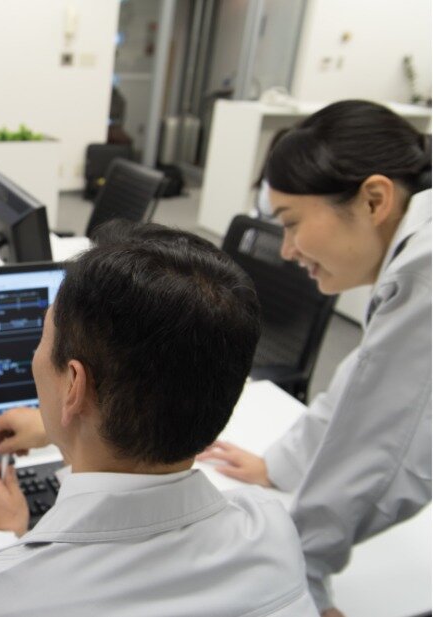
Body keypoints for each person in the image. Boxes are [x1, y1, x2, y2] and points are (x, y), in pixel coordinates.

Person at [0, 226, 319, 616]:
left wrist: (2, 537)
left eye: (42, 339)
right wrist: (62, 430)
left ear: (74, 385)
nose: (36, 357)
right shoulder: (273, 531)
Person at [197, 100, 432, 616]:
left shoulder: (426, 268)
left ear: (374, 200)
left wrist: (301, 576)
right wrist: (282, 465)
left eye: (292, 223)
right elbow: (366, 377)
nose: (286, 250)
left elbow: (384, 453)